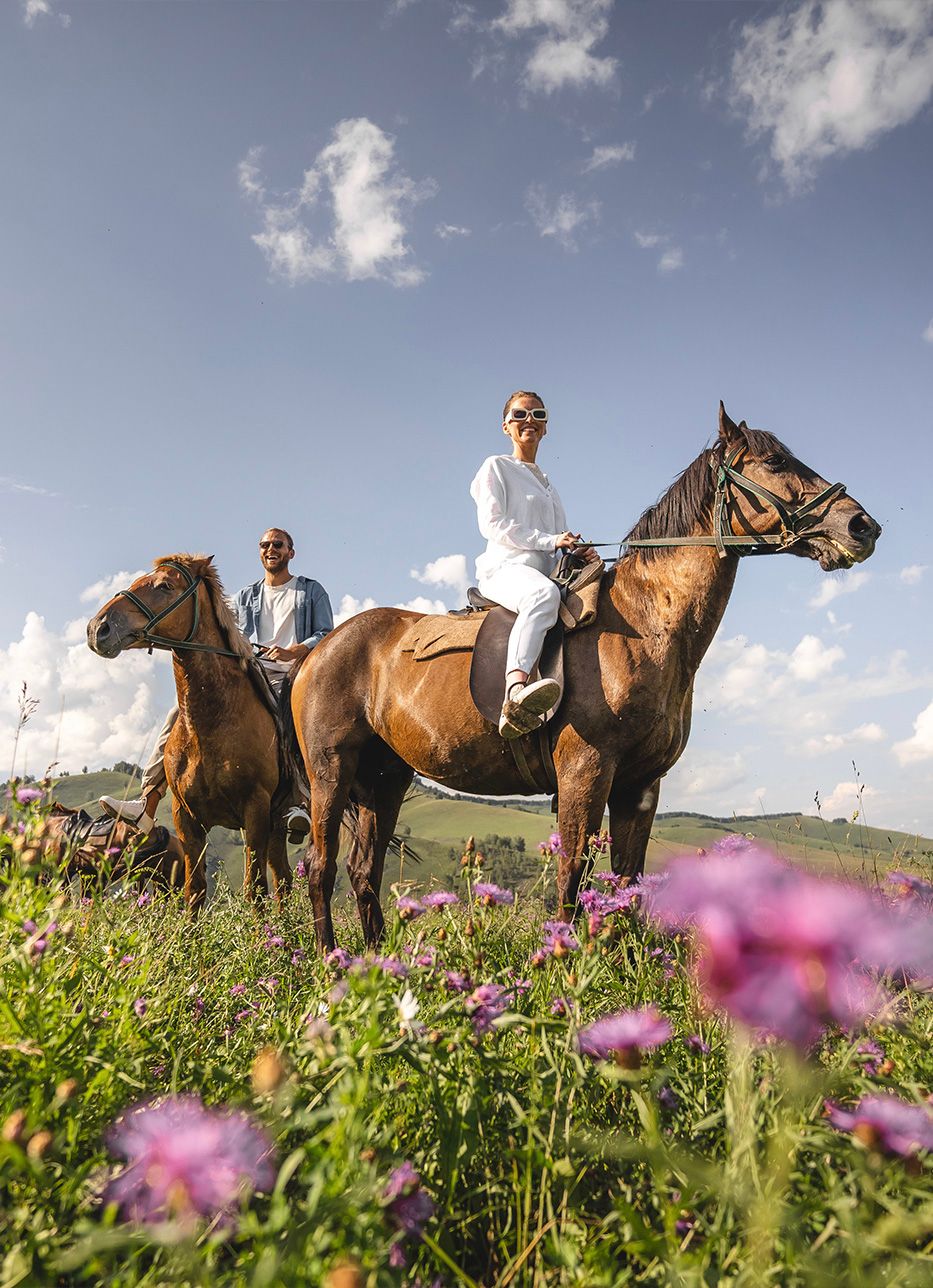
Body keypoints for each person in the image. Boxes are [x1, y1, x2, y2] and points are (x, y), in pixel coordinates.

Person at [100, 527, 333, 840]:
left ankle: (299, 799)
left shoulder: (310, 591)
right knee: (179, 714)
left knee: (293, 717)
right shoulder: (245, 596)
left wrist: (296, 649)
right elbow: (229, 633)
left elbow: (326, 634)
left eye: (278, 544)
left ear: (291, 552)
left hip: (294, 671)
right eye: (264, 544)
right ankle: (147, 802)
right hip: (251, 665)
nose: (270, 549)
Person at [470, 390, 597, 739]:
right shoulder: (495, 467)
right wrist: (551, 541)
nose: (529, 420)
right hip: (506, 569)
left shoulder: (550, 487)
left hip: (544, 572)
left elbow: (557, 542)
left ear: (545, 427)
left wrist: (575, 551)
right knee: (542, 596)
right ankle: (515, 694)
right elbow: (492, 525)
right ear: (506, 425)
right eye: (520, 414)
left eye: (537, 414)